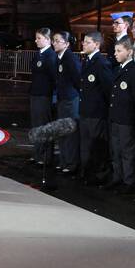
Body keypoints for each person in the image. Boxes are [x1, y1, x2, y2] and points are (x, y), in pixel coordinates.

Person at [77, 30, 113, 185]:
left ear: (97, 44)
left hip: (97, 112)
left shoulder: (101, 63)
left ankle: (97, 175)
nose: (83, 44)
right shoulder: (87, 61)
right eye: (83, 41)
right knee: (85, 144)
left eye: (87, 42)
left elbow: (107, 89)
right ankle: (86, 173)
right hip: (85, 110)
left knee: (95, 145)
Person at [108, 37, 135, 194]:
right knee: (116, 149)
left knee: (127, 151)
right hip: (116, 117)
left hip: (127, 118)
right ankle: (118, 177)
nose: (115, 54)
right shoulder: (118, 69)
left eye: (119, 51)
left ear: (129, 52)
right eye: (115, 50)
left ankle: (129, 181)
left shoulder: (134, 72)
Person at [51, 30, 83, 176]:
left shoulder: (70, 58)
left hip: (70, 100)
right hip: (63, 100)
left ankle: (71, 164)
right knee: (62, 131)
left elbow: (78, 80)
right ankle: (64, 161)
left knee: (70, 132)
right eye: (54, 40)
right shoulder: (60, 58)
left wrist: (75, 96)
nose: (54, 43)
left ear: (67, 44)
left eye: (58, 41)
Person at [28, 27, 60, 172]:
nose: (36, 41)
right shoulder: (38, 55)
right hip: (36, 94)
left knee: (43, 125)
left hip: (45, 96)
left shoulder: (51, 56)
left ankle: (46, 156)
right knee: (36, 125)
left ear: (48, 40)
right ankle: (37, 153)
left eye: (39, 38)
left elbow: (54, 78)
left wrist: (53, 96)